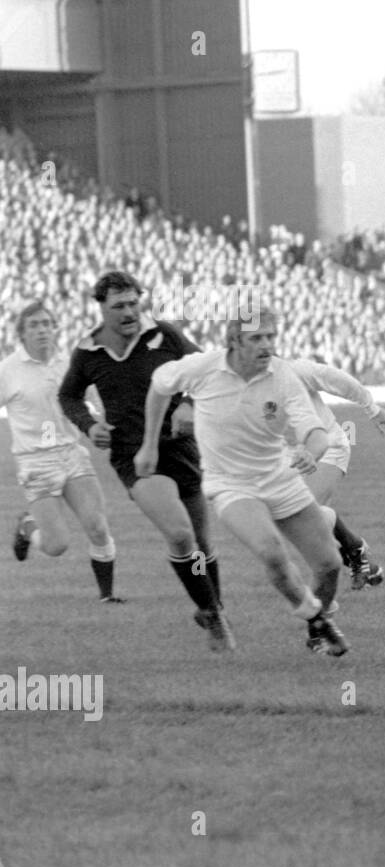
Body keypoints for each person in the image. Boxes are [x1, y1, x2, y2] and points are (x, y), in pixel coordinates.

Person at [136, 310, 348, 656]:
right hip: (230, 485)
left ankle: (316, 629)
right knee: (271, 552)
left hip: (281, 478)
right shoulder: (202, 368)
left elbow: (314, 431)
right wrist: (148, 444)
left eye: (270, 336)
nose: (266, 345)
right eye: (256, 338)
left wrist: (310, 452)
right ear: (234, 341)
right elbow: (160, 387)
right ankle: (317, 620)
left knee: (329, 565)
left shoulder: (283, 377)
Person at [58, 270, 230, 649]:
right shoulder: (88, 352)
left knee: (201, 543)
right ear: (101, 309)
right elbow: (68, 396)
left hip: (181, 450)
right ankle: (216, 618)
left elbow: (208, 371)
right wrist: (89, 425)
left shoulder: (164, 335)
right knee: (181, 534)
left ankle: (212, 608)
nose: (129, 311)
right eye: (119, 305)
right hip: (134, 459)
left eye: (134, 302)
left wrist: (187, 404)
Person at [2, 301, 123, 602]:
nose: (42, 329)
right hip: (35, 461)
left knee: (97, 526)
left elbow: (98, 395)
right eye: (34, 325)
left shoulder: (69, 363)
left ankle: (107, 597)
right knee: (56, 546)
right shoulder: (8, 371)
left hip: (71, 453)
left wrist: (110, 420)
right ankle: (29, 527)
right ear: (22, 334)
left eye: (47, 323)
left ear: (56, 328)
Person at [285, 358, 385, 589]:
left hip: (328, 446)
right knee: (300, 524)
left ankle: (353, 552)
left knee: (305, 515)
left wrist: (372, 408)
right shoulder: (244, 386)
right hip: (290, 457)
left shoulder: (294, 371)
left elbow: (339, 380)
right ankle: (361, 559)